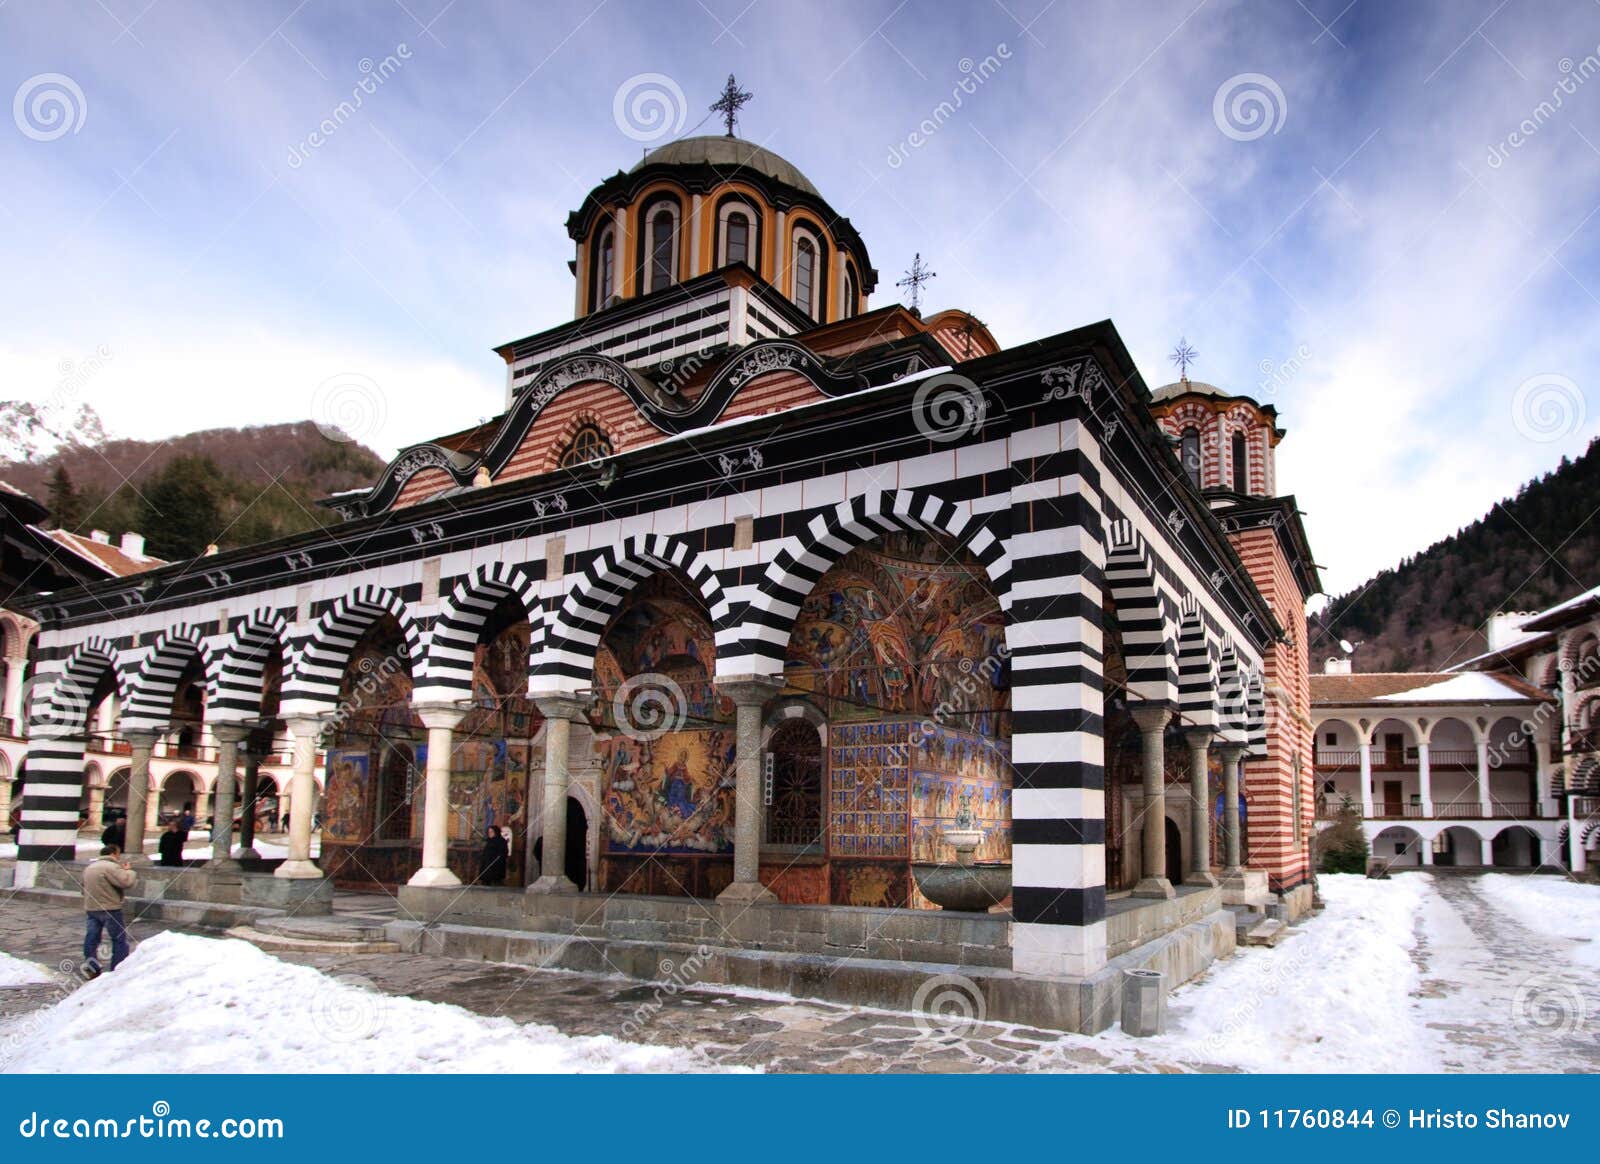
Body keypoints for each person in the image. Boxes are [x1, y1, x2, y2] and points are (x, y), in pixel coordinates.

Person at [82, 844, 136, 977]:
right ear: (113, 853)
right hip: (110, 908)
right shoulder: (111, 867)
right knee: (119, 939)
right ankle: (118, 967)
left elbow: (83, 888)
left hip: (92, 908)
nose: (119, 857)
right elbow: (126, 882)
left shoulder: (89, 868)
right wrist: (129, 871)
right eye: (118, 854)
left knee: (92, 938)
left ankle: (91, 967)